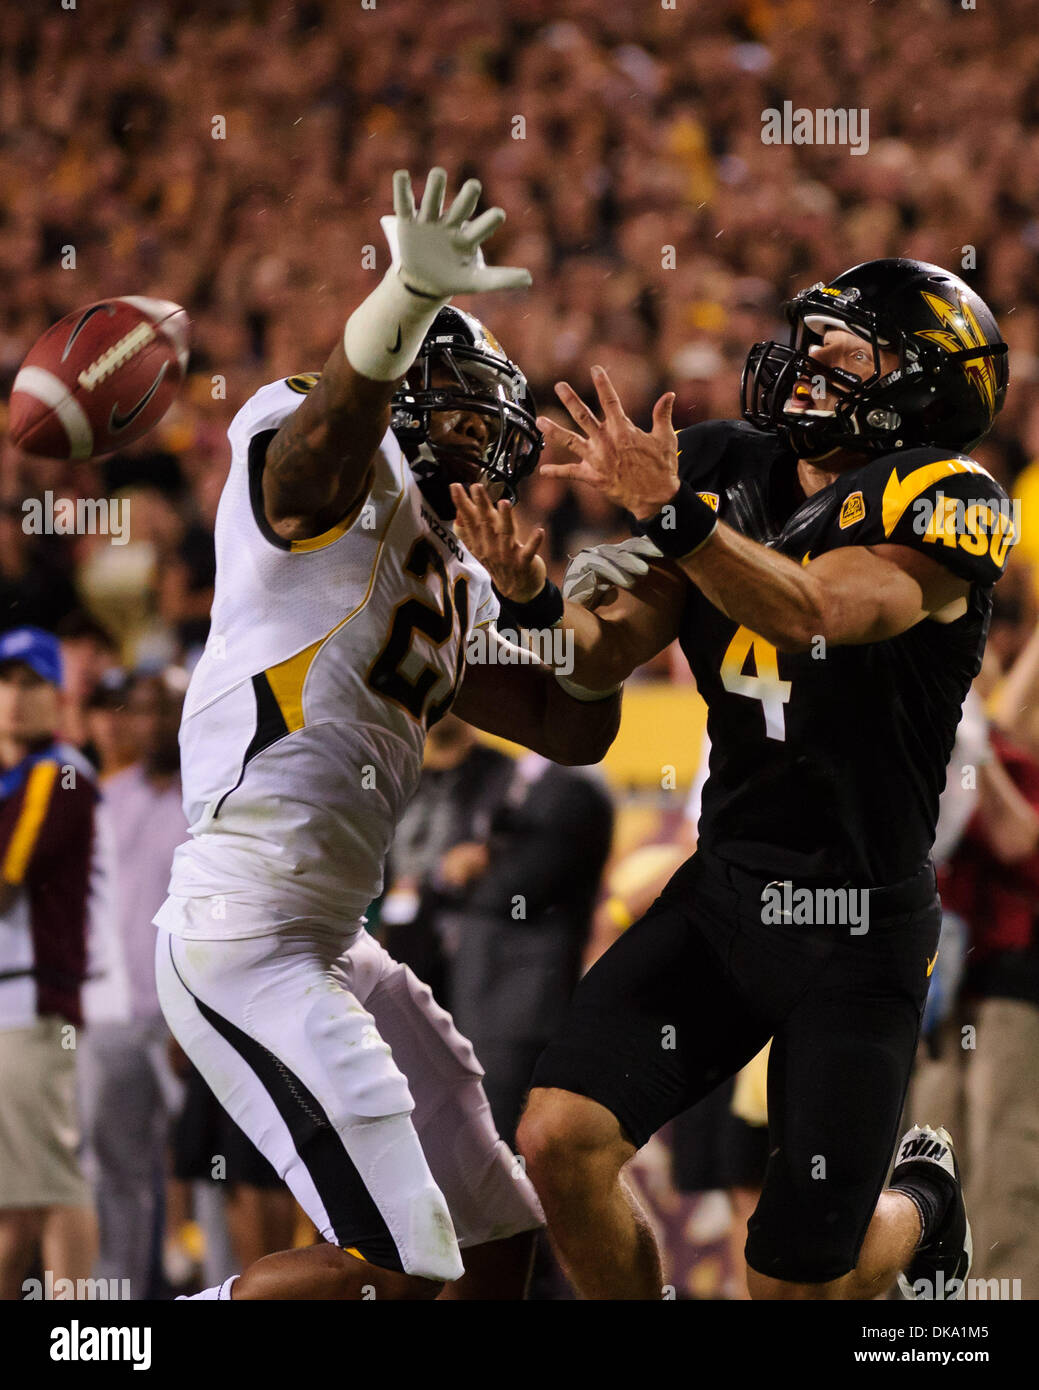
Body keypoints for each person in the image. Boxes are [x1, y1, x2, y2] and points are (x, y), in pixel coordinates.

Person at [454, 257, 1015, 1300]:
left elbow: (815, 612)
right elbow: (601, 653)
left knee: (796, 1284)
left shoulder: (950, 496)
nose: (806, 366)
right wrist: (533, 601)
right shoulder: (719, 464)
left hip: (858, 919)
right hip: (729, 890)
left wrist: (675, 520)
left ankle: (922, 1209)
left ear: (919, 382)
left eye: (842, 351)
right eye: (807, 343)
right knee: (558, 1136)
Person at [154, 168, 620, 1302]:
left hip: (329, 936)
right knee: (396, 1273)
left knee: (501, 1242)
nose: (485, 437)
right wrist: (403, 295)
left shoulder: (445, 576)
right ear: (402, 390)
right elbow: (321, 446)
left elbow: (575, 726)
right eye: (457, 407)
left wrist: (530, 606)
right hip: (245, 927)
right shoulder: (310, 458)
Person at [0, 627, 115, 1299]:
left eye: (33, 683)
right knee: (17, 1193)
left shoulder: (61, 773)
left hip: (30, 1003)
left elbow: (6, 881)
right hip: (12, 1004)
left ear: (58, 696)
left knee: (51, 1176)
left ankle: (76, 1319)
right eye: (8, 682)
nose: (17, 698)